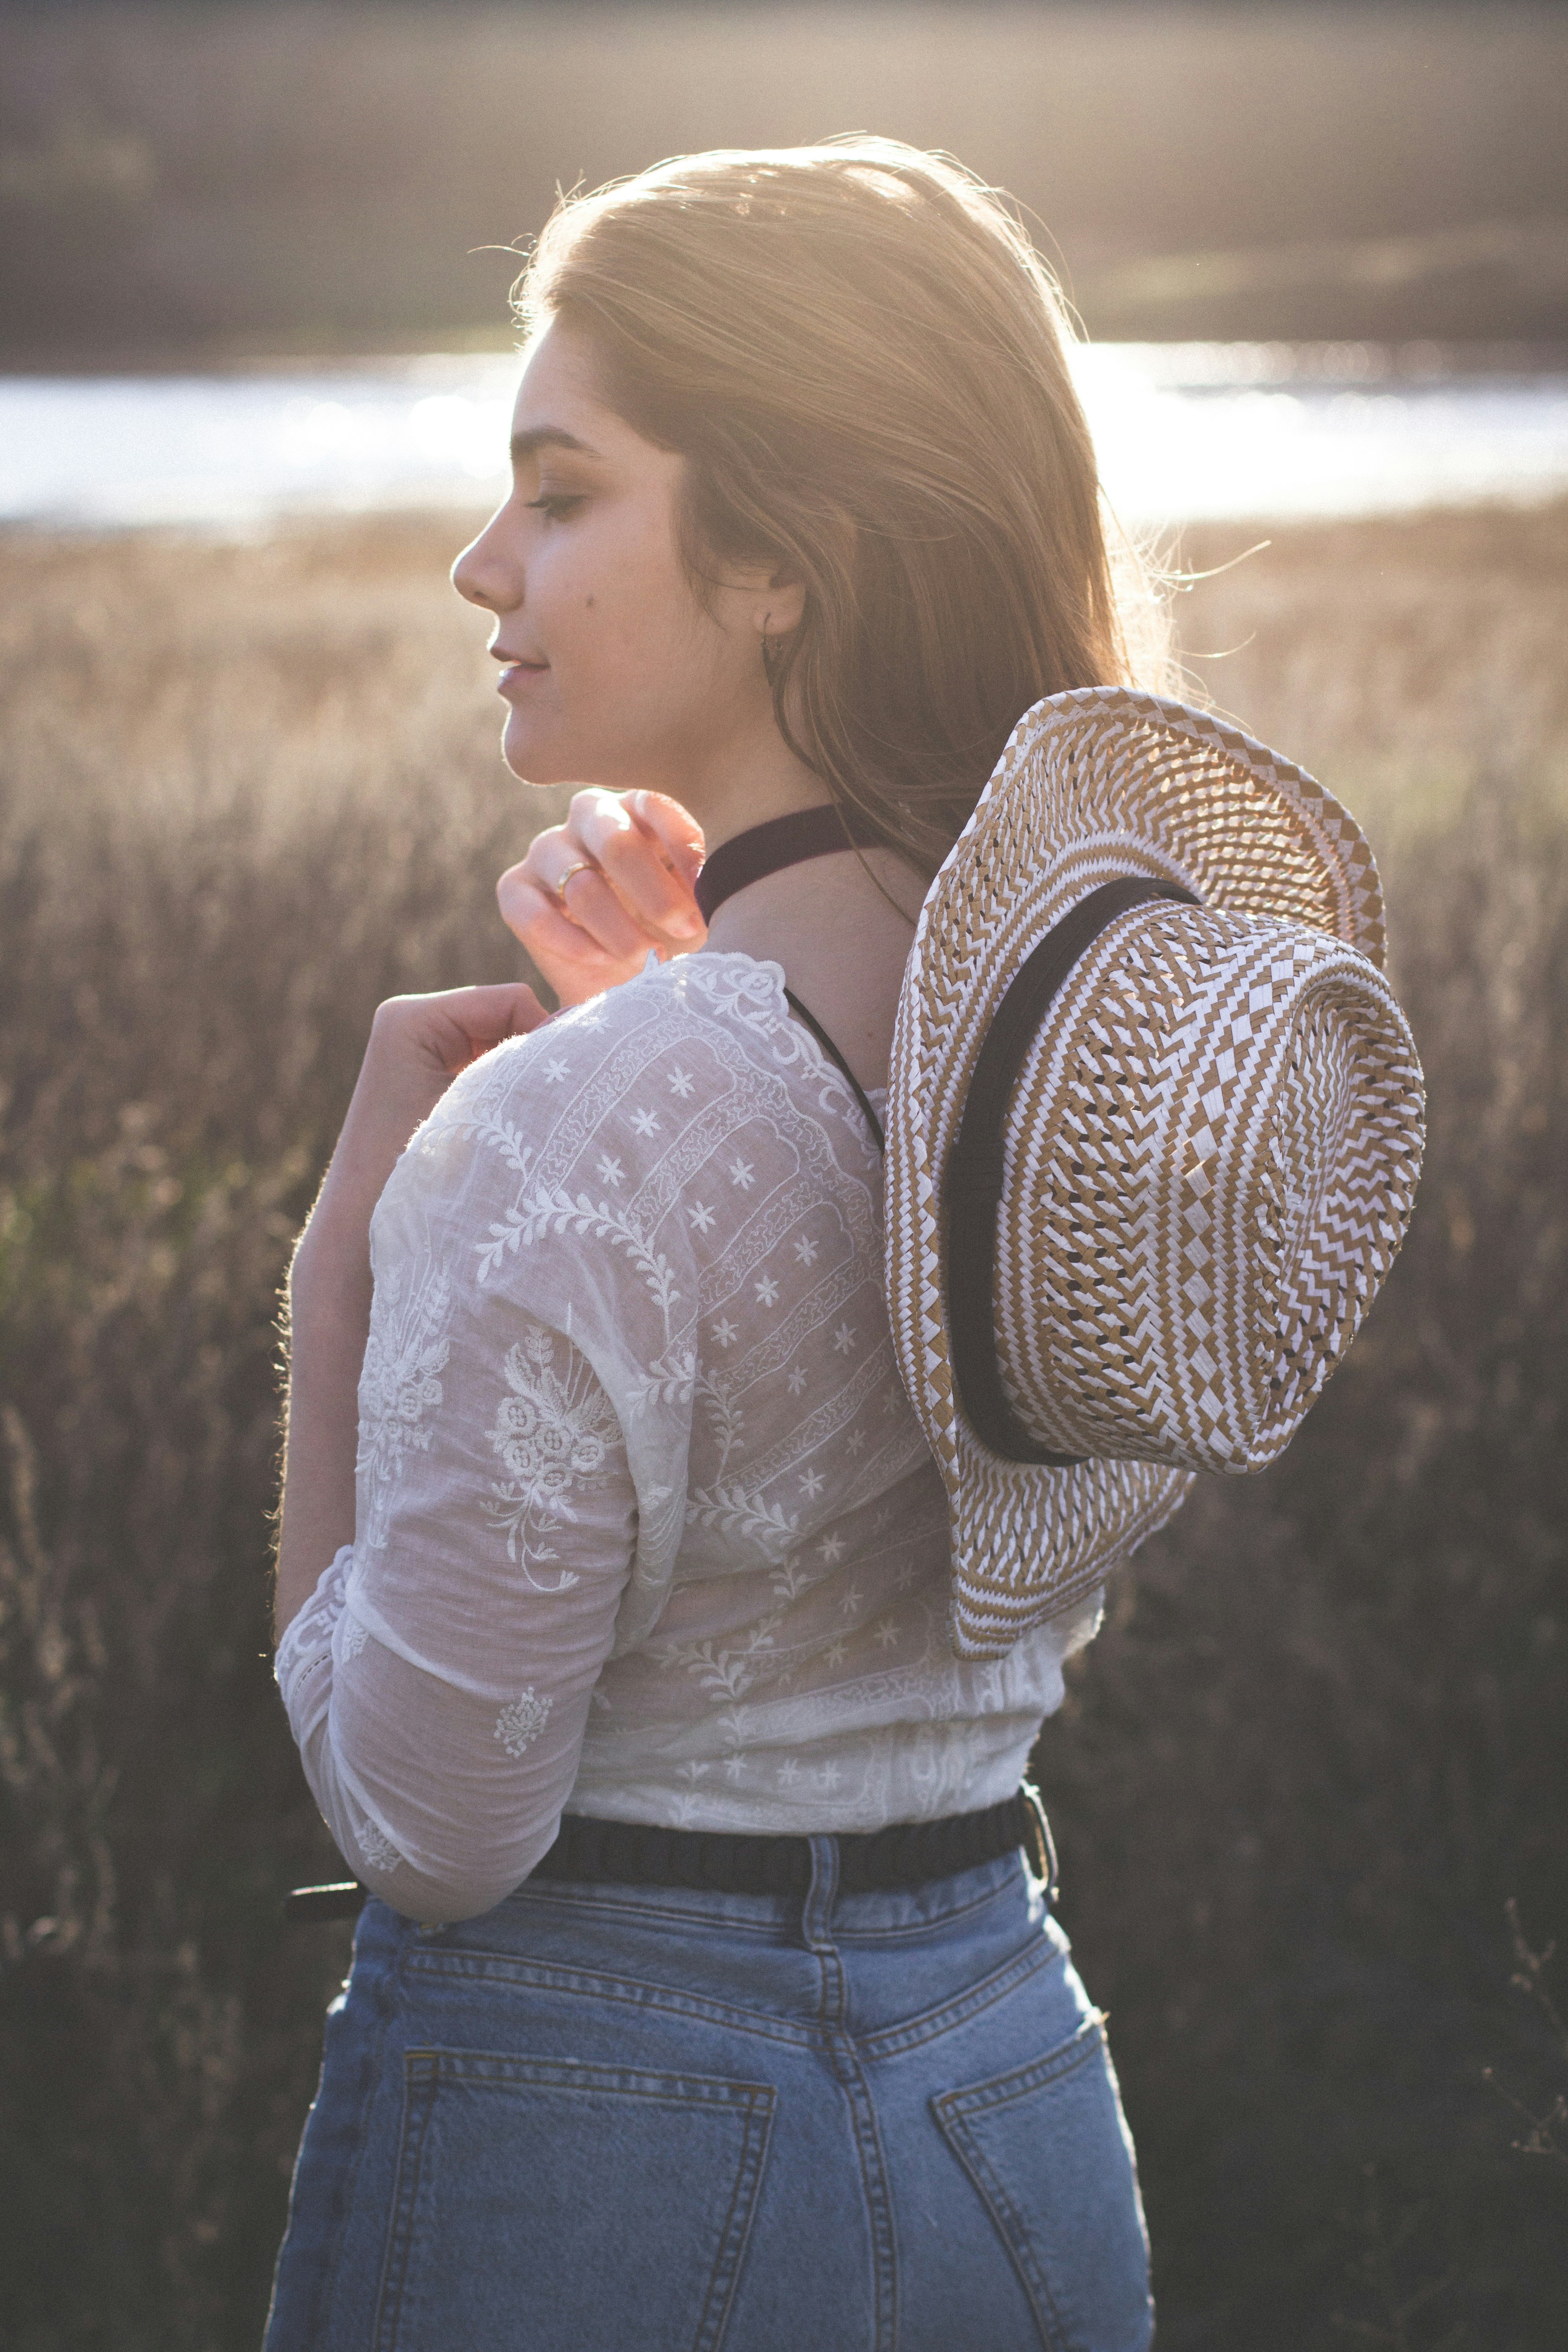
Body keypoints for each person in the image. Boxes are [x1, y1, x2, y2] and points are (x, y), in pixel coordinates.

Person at [266, 140, 1180, 2352]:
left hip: (602, 2130)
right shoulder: (1102, 1065)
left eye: (563, 493)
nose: (484, 564)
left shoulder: (560, 1144)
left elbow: (423, 1824)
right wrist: (657, 1039)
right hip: (1015, 2092)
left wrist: (342, 1273)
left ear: (784, 561)